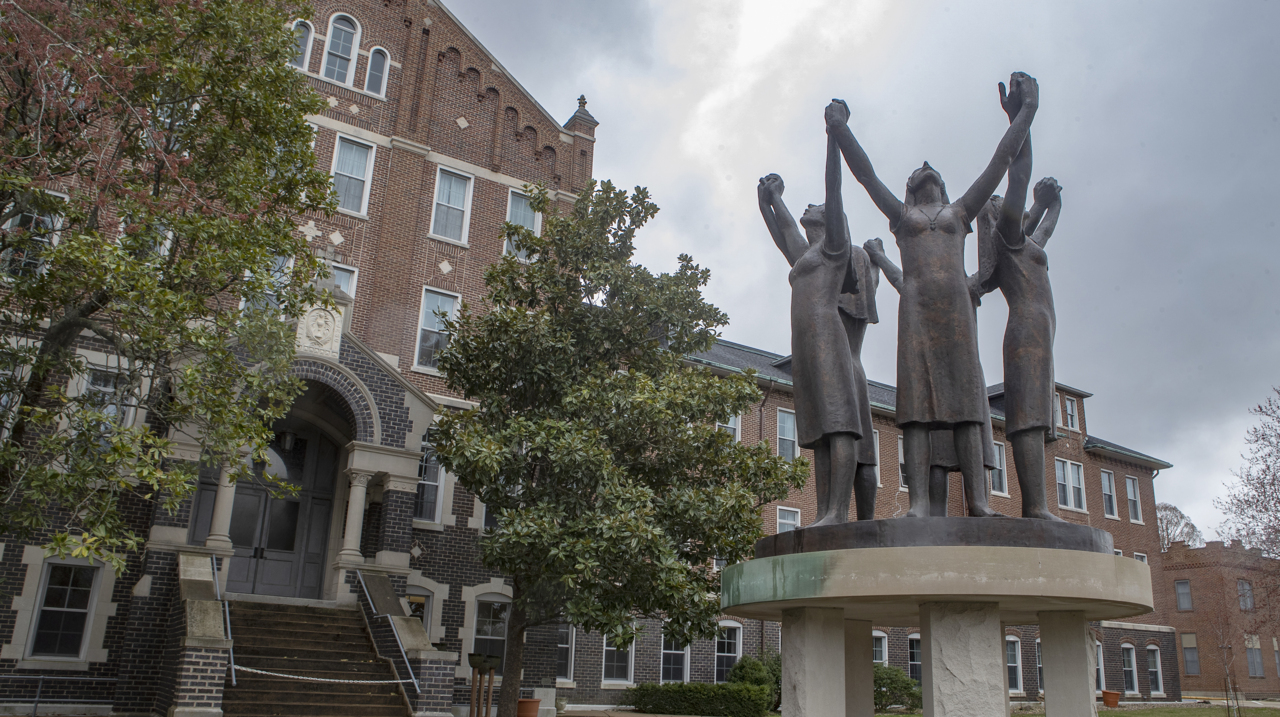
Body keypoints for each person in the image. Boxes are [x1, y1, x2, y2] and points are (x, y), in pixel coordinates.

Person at [827, 73, 1038, 517]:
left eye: (931, 169)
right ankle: (919, 503)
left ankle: (979, 502)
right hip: (917, 312)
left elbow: (1002, 162)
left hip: (956, 313)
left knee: (964, 402)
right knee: (916, 407)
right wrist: (842, 129)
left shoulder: (961, 211)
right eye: (916, 170)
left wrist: (1024, 115)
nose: (924, 166)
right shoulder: (902, 216)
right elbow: (865, 175)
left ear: (940, 183)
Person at [755, 100, 872, 525]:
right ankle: (826, 511)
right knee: (821, 432)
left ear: (831, 220)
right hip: (805, 344)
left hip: (828, 337)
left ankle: (838, 513)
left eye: (816, 208)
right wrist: (767, 200)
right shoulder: (805, 255)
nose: (811, 206)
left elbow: (833, 190)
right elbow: (781, 228)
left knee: (840, 424)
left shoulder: (836, 249)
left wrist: (832, 137)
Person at [973, 87, 1065, 520]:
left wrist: (1055, 204)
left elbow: (1044, 229)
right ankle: (1035, 508)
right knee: (1027, 417)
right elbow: (1020, 175)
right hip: (1026, 329)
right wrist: (1024, 113)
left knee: (1039, 418)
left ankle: (1040, 505)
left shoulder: (1027, 244)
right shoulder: (1007, 237)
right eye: (1001, 207)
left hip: (1042, 335)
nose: (1007, 208)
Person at [863, 237, 1000, 517]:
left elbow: (992, 270)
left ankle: (979, 506)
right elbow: (903, 281)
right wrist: (879, 257)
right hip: (930, 371)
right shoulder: (922, 285)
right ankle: (935, 518)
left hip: (962, 374)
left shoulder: (965, 284)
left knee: (968, 441)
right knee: (937, 455)